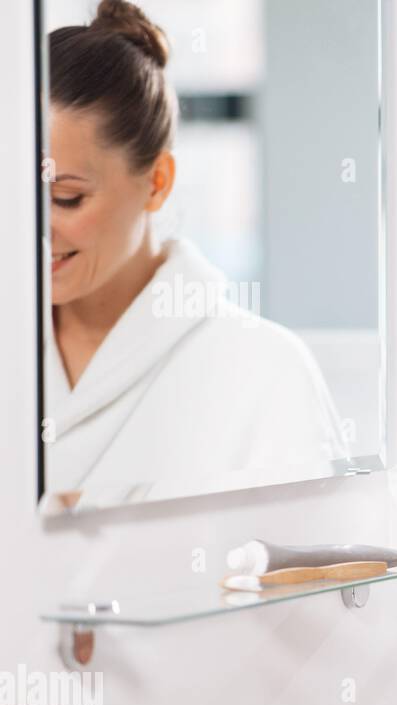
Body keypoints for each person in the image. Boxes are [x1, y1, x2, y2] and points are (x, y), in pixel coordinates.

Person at [43, 0, 346, 511]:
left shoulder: (265, 374)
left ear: (157, 183)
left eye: (67, 198)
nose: (33, 228)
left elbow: (305, 575)